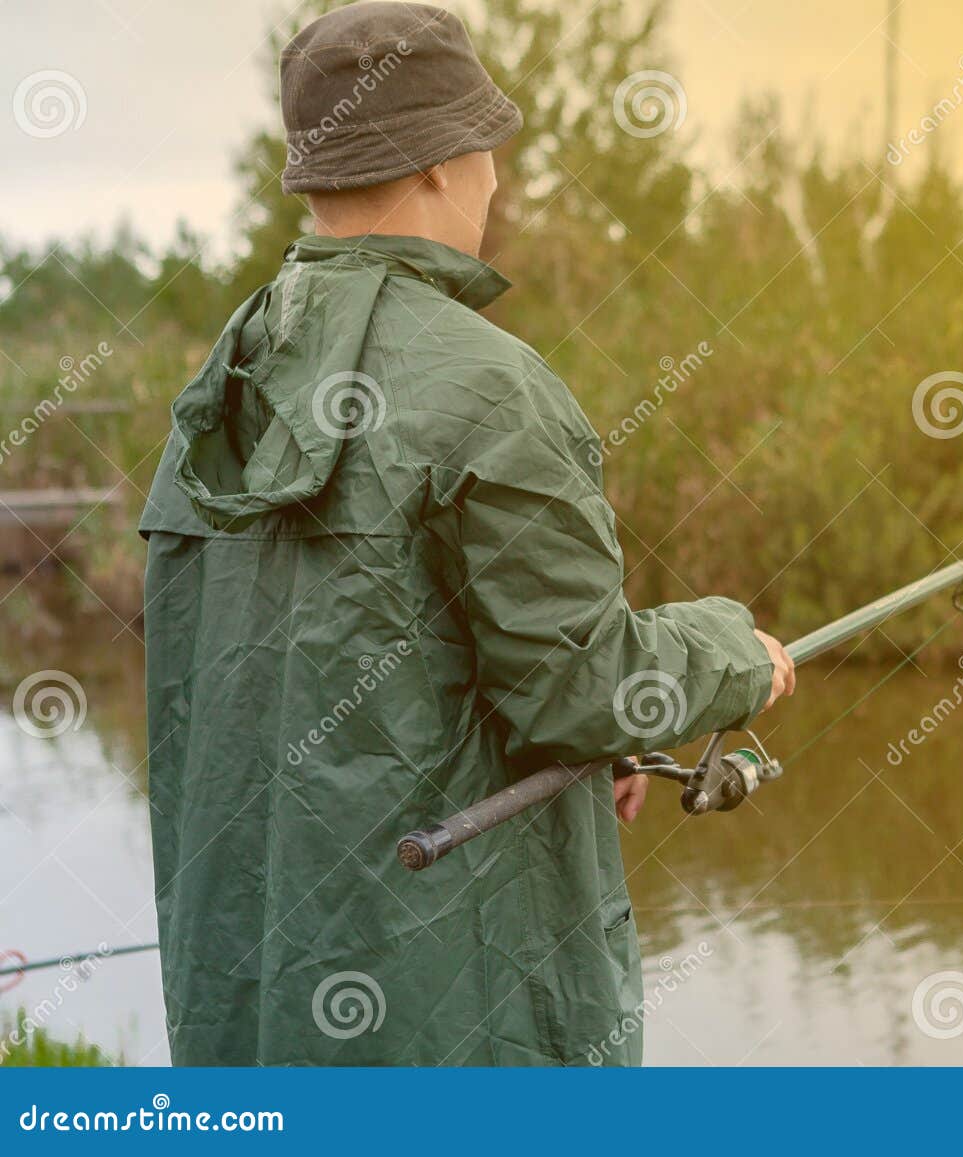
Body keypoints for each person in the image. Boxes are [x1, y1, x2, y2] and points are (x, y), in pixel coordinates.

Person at [139, 1, 794, 1066]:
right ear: (440, 165)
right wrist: (733, 656)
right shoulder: (492, 388)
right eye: (489, 151)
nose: (497, 179)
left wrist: (596, 741)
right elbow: (584, 679)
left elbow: (315, 677)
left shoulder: (220, 389)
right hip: (456, 1021)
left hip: (251, 1017)